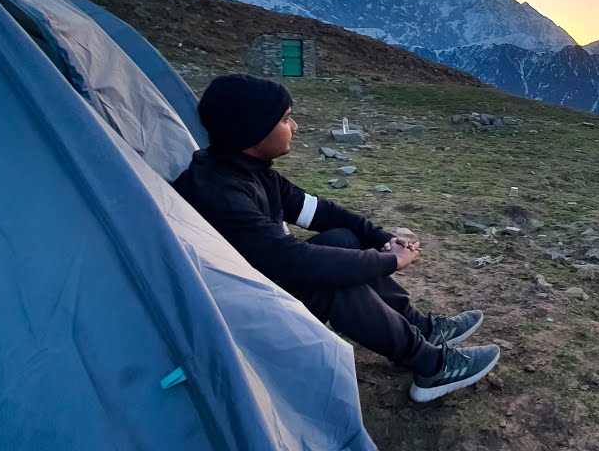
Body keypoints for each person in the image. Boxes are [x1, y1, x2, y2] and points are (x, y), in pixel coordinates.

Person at [172, 74, 499, 402]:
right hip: (231, 317)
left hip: (255, 285)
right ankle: (432, 365)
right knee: (331, 283)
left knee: (341, 238)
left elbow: (318, 211)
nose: (296, 126)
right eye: (285, 119)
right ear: (253, 130)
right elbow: (293, 262)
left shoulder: (245, 169)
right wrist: (388, 261)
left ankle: (422, 328)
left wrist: (381, 238)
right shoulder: (222, 195)